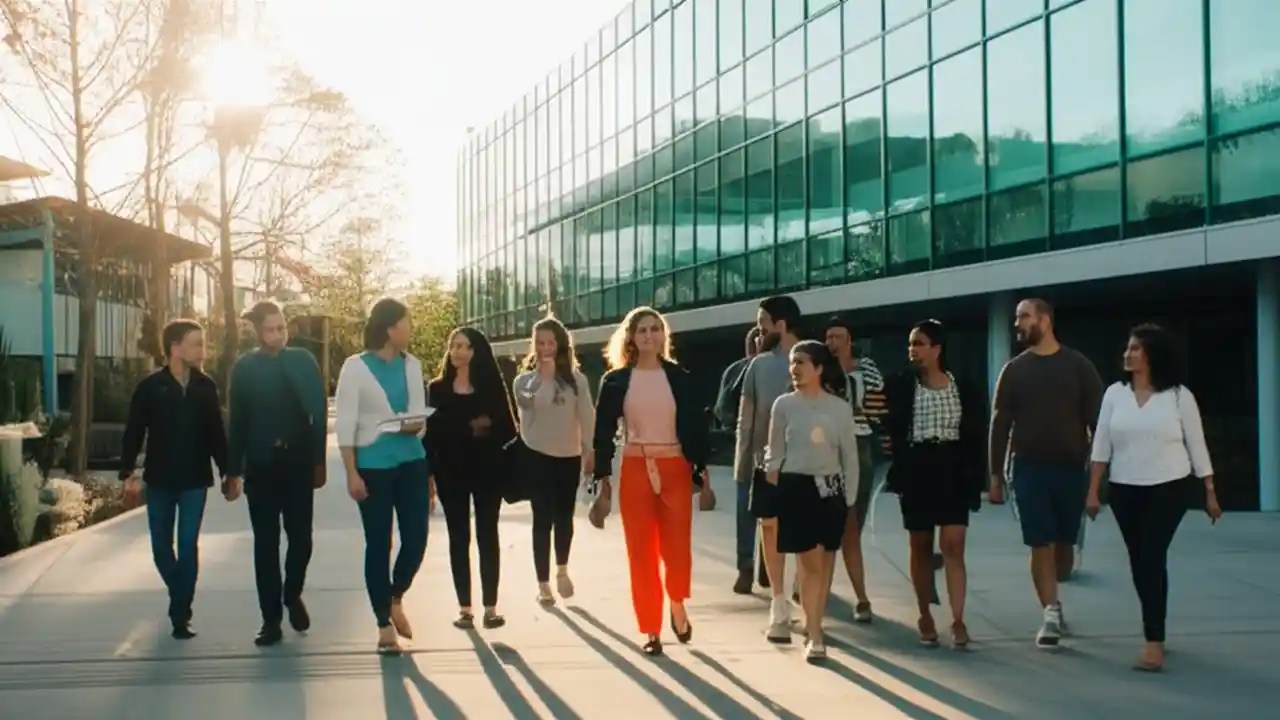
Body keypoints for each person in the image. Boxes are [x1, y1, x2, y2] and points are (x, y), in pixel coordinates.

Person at [1087, 324, 1221, 672]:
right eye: (1127, 348)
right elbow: (1101, 445)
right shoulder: (1114, 394)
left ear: (1153, 355)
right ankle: (1155, 623)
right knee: (1141, 561)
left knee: (1150, 556)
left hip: (1170, 487)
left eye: (1135, 348)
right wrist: (1093, 491)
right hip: (1124, 489)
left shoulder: (1178, 396)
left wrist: (1209, 491)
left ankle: (1153, 640)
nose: (1127, 354)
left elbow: (1197, 444)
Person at [593, 307, 712, 657]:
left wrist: (701, 469)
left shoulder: (680, 377)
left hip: (675, 464)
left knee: (676, 547)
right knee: (640, 551)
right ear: (631, 336)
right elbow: (602, 432)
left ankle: (676, 601)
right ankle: (650, 629)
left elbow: (697, 425)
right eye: (642, 330)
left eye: (655, 329)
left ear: (663, 336)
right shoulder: (616, 381)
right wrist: (602, 476)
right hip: (635, 466)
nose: (649, 335)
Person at [989, 298, 1103, 649]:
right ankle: (1050, 613)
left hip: (1071, 469)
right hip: (1027, 468)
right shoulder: (1014, 370)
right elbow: (999, 424)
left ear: (1045, 320)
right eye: (1016, 318)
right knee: (1039, 540)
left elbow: (1099, 426)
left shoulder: (1079, 366)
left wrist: (1097, 483)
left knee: (1063, 548)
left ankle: (1056, 596)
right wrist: (994, 475)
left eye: (1024, 317)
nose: (1017, 324)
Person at [224, 300, 328, 646]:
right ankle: (270, 620)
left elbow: (318, 412)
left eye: (281, 327)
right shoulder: (245, 368)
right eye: (270, 329)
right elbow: (237, 422)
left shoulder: (302, 360)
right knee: (266, 544)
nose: (278, 334)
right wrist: (232, 471)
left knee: (302, 539)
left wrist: (318, 461)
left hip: (297, 464)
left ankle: (292, 593)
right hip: (261, 466)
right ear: (258, 331)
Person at [335, 298, 432, 654]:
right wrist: (351, 473)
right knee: (379, 544)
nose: (411, 328)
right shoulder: (355, 367)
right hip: (373, 467)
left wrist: (408, 425)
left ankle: (395, 596)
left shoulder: (412, 365)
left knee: (417, 539)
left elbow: (419, 417)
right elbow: (346, 423)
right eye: (407, 322)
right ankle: (382, 624)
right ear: (391, 328)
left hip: (412, 462)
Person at [119, 319, 228, 640]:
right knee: (161, 549)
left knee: (188, 545)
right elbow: (134, 431)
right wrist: (127, 472)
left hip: (195, 481)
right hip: (160, 482)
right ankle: (181, 594)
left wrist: (228, 471)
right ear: (175, 348)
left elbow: (216, 433)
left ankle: (180, 614)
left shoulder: (205, 387)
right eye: (196, 343)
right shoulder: (151, 388)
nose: (203, 349)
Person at [884, 320, 983, 648]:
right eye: (911, 344)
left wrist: (980, 476)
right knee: (921, 544)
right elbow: (884, 418)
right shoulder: (902, 385)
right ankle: (924, 613)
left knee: (954, 545)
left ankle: (958, 619)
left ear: (937, 349)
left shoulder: (962, 386)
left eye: (920, 343)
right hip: (918, 466)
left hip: (953, 466)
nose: (913, 350)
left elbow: (975, 431)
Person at [764, 341, 859, 662]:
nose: (794, 368)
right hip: (796, 487)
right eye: (792, 362)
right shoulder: (783, 405)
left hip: (830, 488)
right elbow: (774, 454)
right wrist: (772, 494)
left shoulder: (840, 409)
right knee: (809, 563)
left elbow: (850, 457)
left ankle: (813, 624)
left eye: (801, 362)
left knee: (825, 562)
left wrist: (850, 498)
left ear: (818, 368)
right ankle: (815, 634)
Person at [426, 327, 517, 630]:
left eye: (464, 346)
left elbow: (508, 429)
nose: (458, 351)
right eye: (454, 346)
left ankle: (491, 608)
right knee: (458, 536)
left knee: (487, 534)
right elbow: (433, 435)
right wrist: (429, 475)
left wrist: (485, 426)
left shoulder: (491, 387)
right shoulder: (437, 389)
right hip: (449, 472)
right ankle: (465, 608)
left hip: (487, 470)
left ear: (477, 351)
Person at [734, 296, 803, 640]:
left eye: (763, 323)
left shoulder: (811, 359)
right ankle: (782, 598)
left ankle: (797, 595)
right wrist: (743, 465)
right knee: (775, 531)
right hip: (773, 464)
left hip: (799, 465)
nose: (758, 330)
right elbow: (745, 421)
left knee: (796, 535)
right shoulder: (759, 365)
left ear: (781, 324)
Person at [513, 316, 595, 607]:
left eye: (550, 343)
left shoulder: (576, 381)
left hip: (568, 456)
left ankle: (561, 570)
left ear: (560, 345)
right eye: (540, 343)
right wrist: (542, 377)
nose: (545, 348)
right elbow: (526, 402)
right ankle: (543, 584)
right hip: (536, 455)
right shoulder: (524, 381)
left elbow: (587, 416)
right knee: (542, 518)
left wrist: (589, 451)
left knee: (564, 516)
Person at [824, 316, 884, 623]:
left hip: (858, 443)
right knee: (825, 523)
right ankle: (815, 588)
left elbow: (877, 404)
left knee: (851, 524)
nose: (832, 342)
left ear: (849, 340)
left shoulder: (866, 367)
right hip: (827, 445)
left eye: (838, 336)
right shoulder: (821, 367)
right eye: (828, 337)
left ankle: (861, 597)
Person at [715, 326, 768, 593]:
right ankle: (747, 567)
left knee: (767, 513)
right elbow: (722, 407)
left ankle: (765, 568)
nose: (758, 342)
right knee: (747, 512)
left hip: (770, 448)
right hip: (747, 447)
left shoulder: (780, 366)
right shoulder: (737, 371)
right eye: (754, 339)